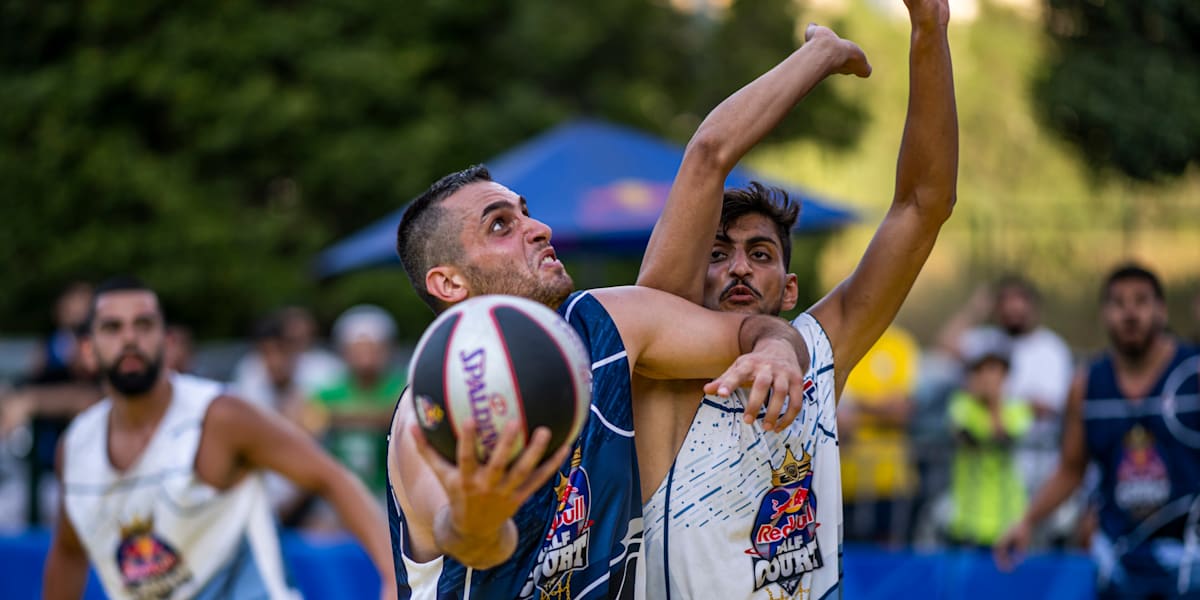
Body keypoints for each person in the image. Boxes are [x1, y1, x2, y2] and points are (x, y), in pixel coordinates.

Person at [632, 0, 956, 596]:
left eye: (760, 255)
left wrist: (928, 26)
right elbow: (707, 155)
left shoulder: (818, 351)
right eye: (717, 252)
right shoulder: (659, 368)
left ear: (789, 289)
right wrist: (818, 56)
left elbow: (922, 206)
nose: (736, 269)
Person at [387, 166, 812, 599]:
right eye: (501, 225)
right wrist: (474, 523)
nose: (539, 228)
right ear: (448, 282)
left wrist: (775, 349)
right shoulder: (436, 408)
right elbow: (468, 540)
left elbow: (755, 331)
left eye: (526, 212)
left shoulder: (601, 325)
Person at [42, 277, 396, 599]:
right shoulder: (76, 449)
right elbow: (69, 552)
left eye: (144, 324)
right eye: (112, 327)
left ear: (167, 342)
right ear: (87, 350)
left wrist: (393, 578)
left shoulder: (218, 416)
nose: (130, 338)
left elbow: (331, 476)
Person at [995, 265, 1200, 599]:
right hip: (1119, 558)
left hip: (1189, 556)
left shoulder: (1193, 374)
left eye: (1141, 301)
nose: (1130, 312)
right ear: (1104, 314)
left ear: (1161, 310)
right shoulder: (1087, 384)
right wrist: (1027, 521)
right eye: (1118, 303)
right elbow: (1071, 468)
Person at [944, 333, 1031, 547]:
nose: (987, 377)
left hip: (1008, 522)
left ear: (1005, 375)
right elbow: (964, 435)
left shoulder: (1018, 409)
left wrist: (994, 402)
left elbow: (1004, 438)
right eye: (980, 369)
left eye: (994, 369)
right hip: (966, 524)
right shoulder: (960, 404)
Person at [312, 304, 406, 497]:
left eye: (372, 348)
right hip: (338, 490)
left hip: (390, 489)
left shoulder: (402, 385)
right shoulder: (330, 389)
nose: (365, 357)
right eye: (358, 349)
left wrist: (336, 417)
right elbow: (307, 422)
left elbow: (397, 417)